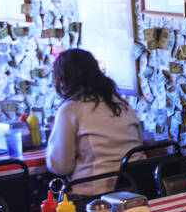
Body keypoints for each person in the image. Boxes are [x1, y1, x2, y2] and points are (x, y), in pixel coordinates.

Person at [46, 48, 144, 194]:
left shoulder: (71, 109)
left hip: (94, 195)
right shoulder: (122, 104)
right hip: (136, 188)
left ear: (63, 78)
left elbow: (60, 166)